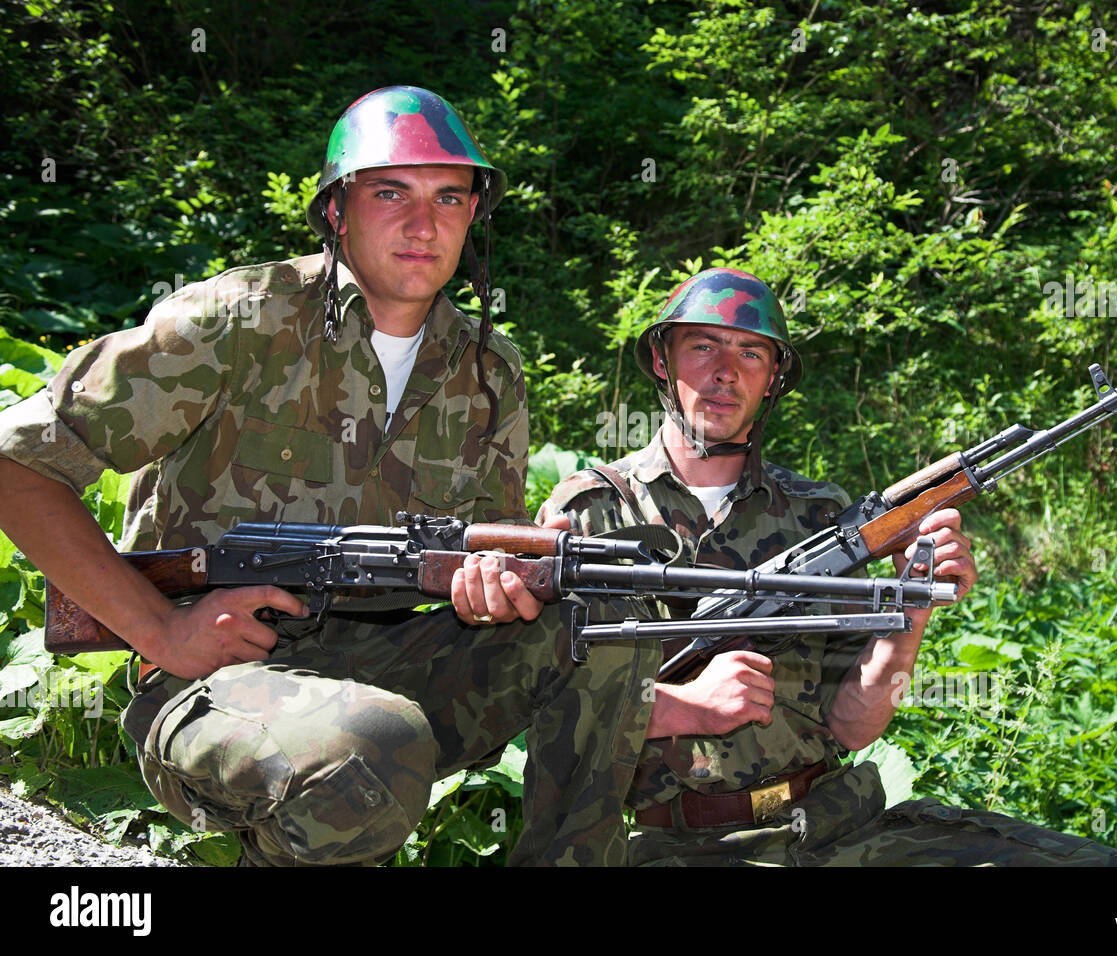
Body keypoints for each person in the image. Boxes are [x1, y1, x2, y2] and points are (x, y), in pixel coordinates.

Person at [0, 86, 645, 866]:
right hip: (218, 678)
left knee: (604, 610)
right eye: (389, 193)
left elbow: (472, 569)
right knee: (366, 747)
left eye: (449, 196)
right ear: (337, 211)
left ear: (474, 214)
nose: (423, 223)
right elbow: (15, 465)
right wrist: (160, 628)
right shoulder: (238, 324)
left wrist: (503, 582)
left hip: (394, 661)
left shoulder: (488, 372)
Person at [539, 267, 1117, 865]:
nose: (725, 373)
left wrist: (910, 609)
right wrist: (683, 706)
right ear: (661, 360)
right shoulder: (591, 512)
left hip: (830, 829)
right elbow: (536, 711)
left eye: (752, 353)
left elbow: (852, 727)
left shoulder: (819, 515)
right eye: (703, 346)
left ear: (774, 376)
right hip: (667, 845)